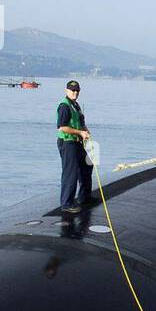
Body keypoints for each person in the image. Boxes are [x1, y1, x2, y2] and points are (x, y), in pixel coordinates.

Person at [56, 79, 92, 213]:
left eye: (77, 91)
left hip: (77, 142)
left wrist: (85, 130)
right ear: (67, 91)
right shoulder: (64, 106)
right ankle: (66, 203)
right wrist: (80, 132)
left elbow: (80, 121)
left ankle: (84, 196)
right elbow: (62, 128)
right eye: (72, 90)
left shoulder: (75, 105)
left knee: (87, 165)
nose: (75, 93)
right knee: (70, 173)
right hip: (67, 142)